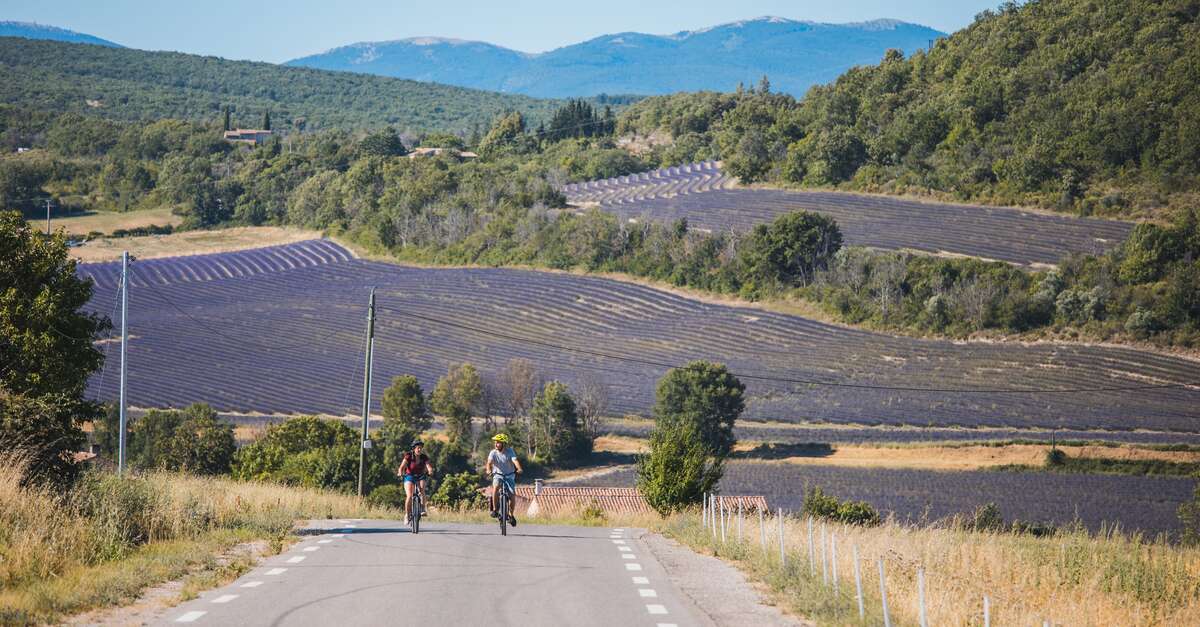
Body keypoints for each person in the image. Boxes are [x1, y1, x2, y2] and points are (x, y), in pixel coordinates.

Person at [485, 433, 523, 526]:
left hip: (509, 475)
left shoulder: (510, 451)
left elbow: (515, 461)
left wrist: (519, 468)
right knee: (495, 487)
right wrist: (488, 470)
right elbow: (489, 463)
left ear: (503, 443)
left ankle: (511, 515)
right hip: (498, 475)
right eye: (495, 442)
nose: (496, 444)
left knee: (512, 494)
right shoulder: (493, 452)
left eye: (498, 442)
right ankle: (494, 510)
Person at [397, 440, 433, 526]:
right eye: (418, 448)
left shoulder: (424, 457)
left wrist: (430, 471)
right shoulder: (409, 456)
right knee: (409, 495)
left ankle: (423, 509)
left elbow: (429, 466)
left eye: (421, 448)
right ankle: (407, 514)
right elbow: (401, 467)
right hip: (409, 476)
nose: (420, 450)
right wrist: (400, 472)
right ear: (414, 449)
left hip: (420, 476)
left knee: (422, 490)